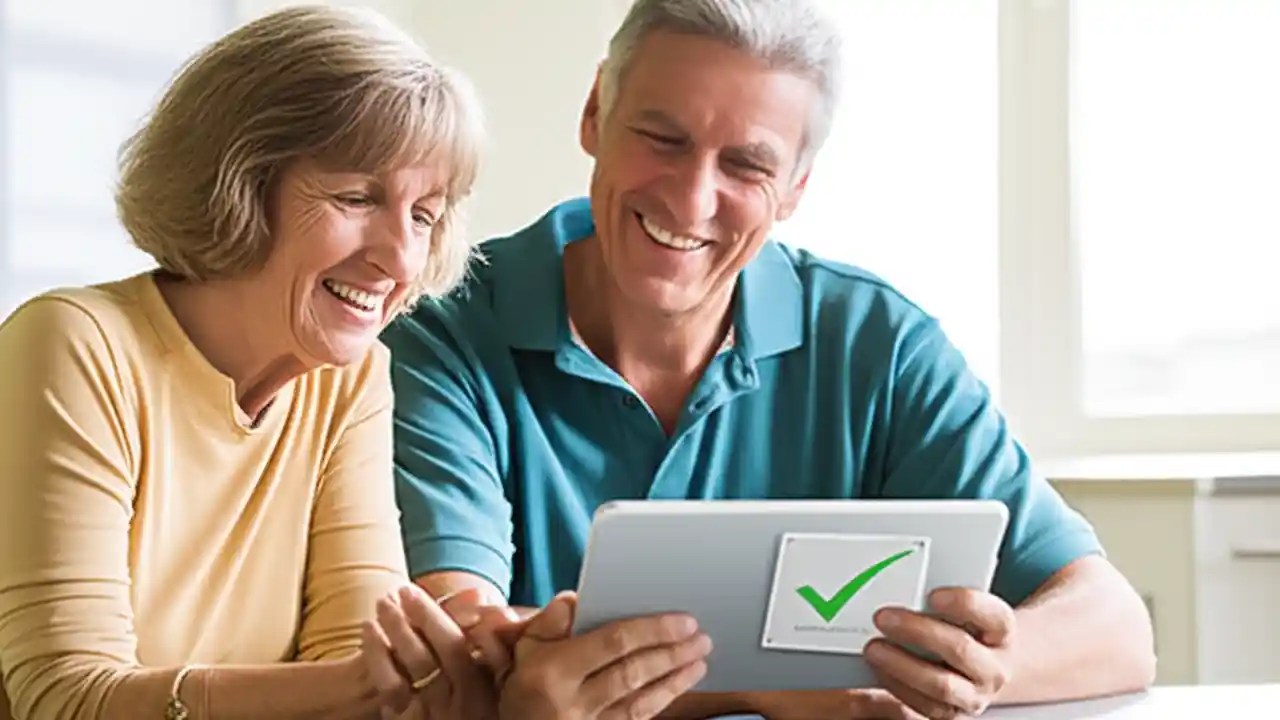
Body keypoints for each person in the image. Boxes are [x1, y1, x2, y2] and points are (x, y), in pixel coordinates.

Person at [383, 0, 1158, 718]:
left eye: (746, 166)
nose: (691, 200)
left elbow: (1116, 629)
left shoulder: (877, 344)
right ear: (595, 114)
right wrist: (780, 685)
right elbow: (469, 652)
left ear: (795, 186)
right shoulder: (440, 334)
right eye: (664, 139)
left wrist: (988, 667)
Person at [0, 6, 493, 719]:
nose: (400, 258)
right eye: (357, 197)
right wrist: (375, 682)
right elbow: (64, 696)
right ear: (237, 186)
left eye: (423, 215)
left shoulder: (352, 381)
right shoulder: (75, 345)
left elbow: (355, 661)